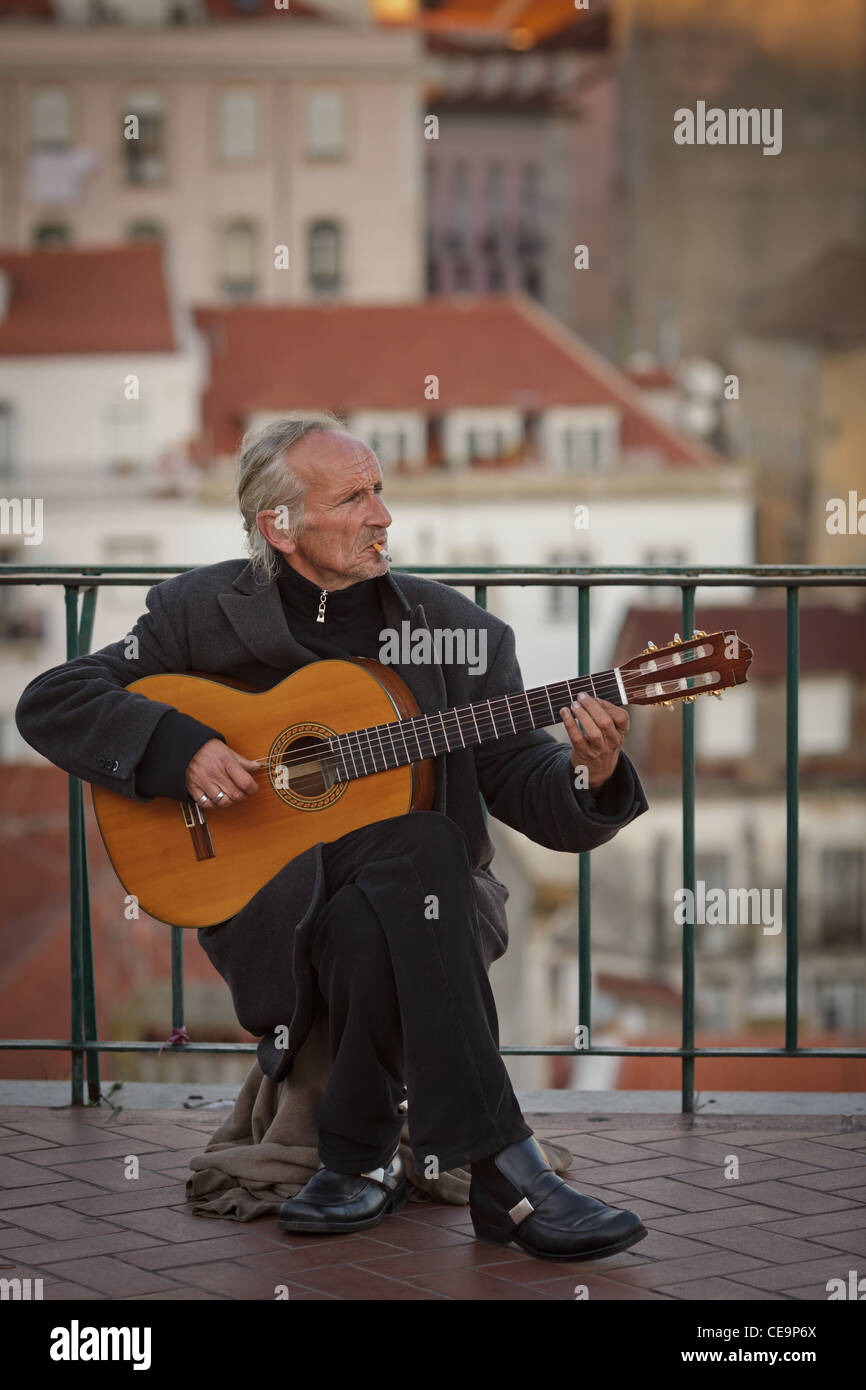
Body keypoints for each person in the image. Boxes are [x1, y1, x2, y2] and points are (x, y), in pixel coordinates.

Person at [15, 411, 650, 1262]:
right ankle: (507, 1170)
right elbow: (52, 700)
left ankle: (356, 1160)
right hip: (264, 900)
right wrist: (184, 748)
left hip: (434, 905)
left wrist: (593, 770)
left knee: (412, 865)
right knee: (418, 853)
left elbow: (526, 790)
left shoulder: (451, 633)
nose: (383, 515)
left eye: (380, 490)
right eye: (354, 497)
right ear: (279, 525)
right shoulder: (197, 615)